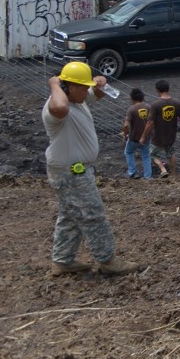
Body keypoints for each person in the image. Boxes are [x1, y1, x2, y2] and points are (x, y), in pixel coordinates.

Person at [44, 62, 140, 277]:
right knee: (93, 214)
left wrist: (98, 86)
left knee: (70, 216)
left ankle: (62, 261)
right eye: (81, 86)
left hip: (73, 170)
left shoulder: (77, 100)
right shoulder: (55, 106)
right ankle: (108, 260)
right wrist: (54, 84)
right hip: (71, 172)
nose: (85, 90)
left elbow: (96, 95)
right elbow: (60, 107)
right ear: (68, 87)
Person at [141, 79, 180, 179]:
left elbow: (150, 122)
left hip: (158, 135)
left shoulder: (156, 104)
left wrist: (143, 136)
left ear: (157, 90)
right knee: (170, 153)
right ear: (168, 89)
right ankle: (174, 175)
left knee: (152, 154)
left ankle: (163, 169)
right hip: (171, 134)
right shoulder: (176, 102)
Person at [121, 88, 151, 180]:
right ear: (142, 97)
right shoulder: (148, 107)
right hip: (146, 137)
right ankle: (148, 176)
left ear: (132, 98)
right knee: (146, 155)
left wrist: (125, 135)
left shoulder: (131, 109)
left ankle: (133, 173)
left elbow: (126, 125)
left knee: (128, 152)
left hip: (134, 137)